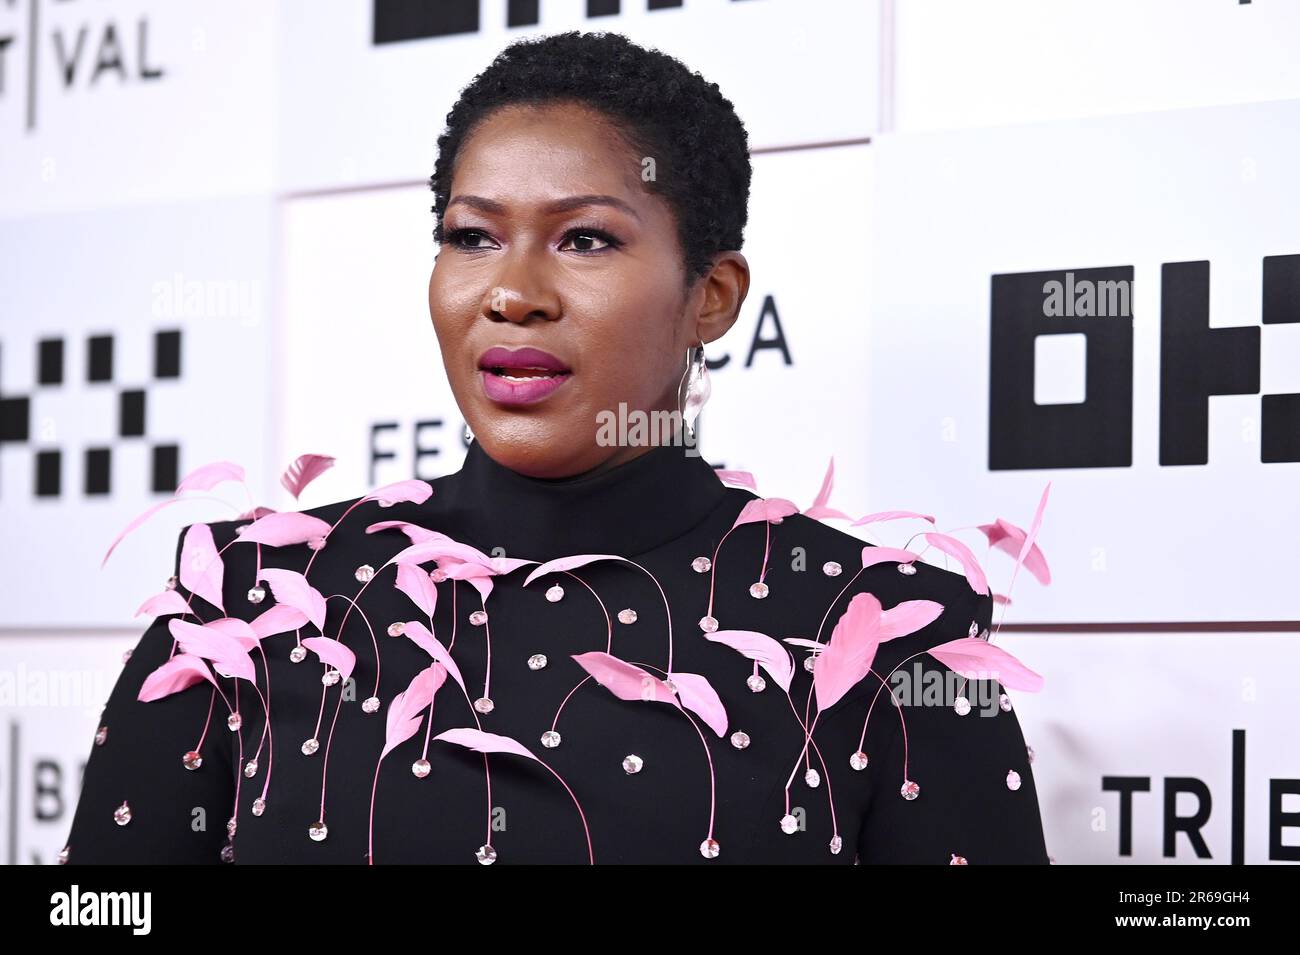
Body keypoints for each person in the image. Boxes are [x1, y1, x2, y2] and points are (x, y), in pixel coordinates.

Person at [62, 31, 1051, 865]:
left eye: (585, 239)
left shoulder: (888, 634)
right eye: (472, 236)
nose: (513, 293)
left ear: (711, 296)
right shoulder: (247, 599)